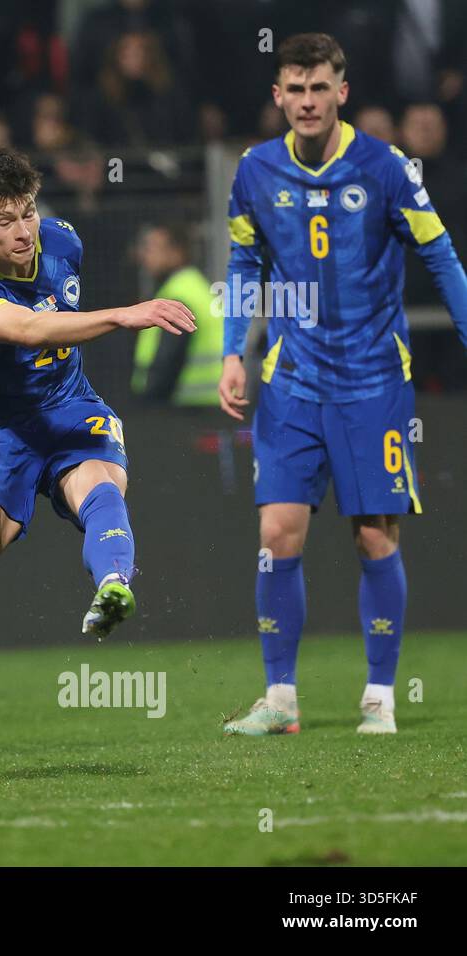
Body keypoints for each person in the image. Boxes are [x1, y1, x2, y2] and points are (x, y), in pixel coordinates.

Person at [218, 34, 467, 737]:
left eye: (318, 88)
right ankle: (280, 700)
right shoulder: (255, 171)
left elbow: (440, 255)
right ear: (278, 96)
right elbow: (242, 263)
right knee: (277, 533)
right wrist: (234, 351)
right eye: (294, 89)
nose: (306, 101)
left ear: (341, 92)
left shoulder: (384, 167)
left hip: (372, 381)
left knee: (374, 538)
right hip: (292, 380)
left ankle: (380, 696)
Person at [0, 145, 195, 784]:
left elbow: (53, 326)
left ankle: (113, 586)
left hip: (69, 408)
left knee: (101, 487)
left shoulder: (64, 241)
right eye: (2, 221)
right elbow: (27, 330)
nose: (22, 232)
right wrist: (124, 315)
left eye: (26, 213)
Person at [130, 223, 221, 405]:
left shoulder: (178, 295)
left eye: (152, 248)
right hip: (207, 405)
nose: (145, 255)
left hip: (185, 410)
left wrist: (148, 403)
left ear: (176, 252)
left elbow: (169, 360)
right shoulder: (195, 286)